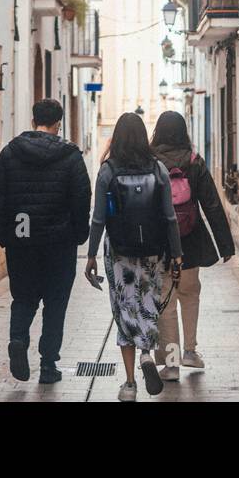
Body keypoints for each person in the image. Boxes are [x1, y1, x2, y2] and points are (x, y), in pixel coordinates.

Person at [0, 97, 92, 385]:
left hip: (21, 242)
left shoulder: (10, 153)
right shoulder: (71, 156)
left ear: (33, 120)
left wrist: (4, 234)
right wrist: (79, 234)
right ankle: (48, 365)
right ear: (58, 123)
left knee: (23, 297)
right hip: (59, 243)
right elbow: (82, 198)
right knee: (55, 304)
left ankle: (18, 340)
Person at [84, 112, 182, 402]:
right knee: (148, 305)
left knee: (125, 308)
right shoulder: (158, 169)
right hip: (153, 252)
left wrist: (91, 255)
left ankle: (129, 384)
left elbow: (98, 219)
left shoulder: (108, 171)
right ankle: (146, 354)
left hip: (119, 254)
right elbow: (170, 217)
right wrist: (177, 254)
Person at [149, 110, 235, 381]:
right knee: (189, 294)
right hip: (191, 241)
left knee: (166, 301)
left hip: (161, 243)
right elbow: (212, 204)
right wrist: (225, 245)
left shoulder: (150, 162)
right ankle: (190, 351)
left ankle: (171, 364)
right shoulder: (194, 162)